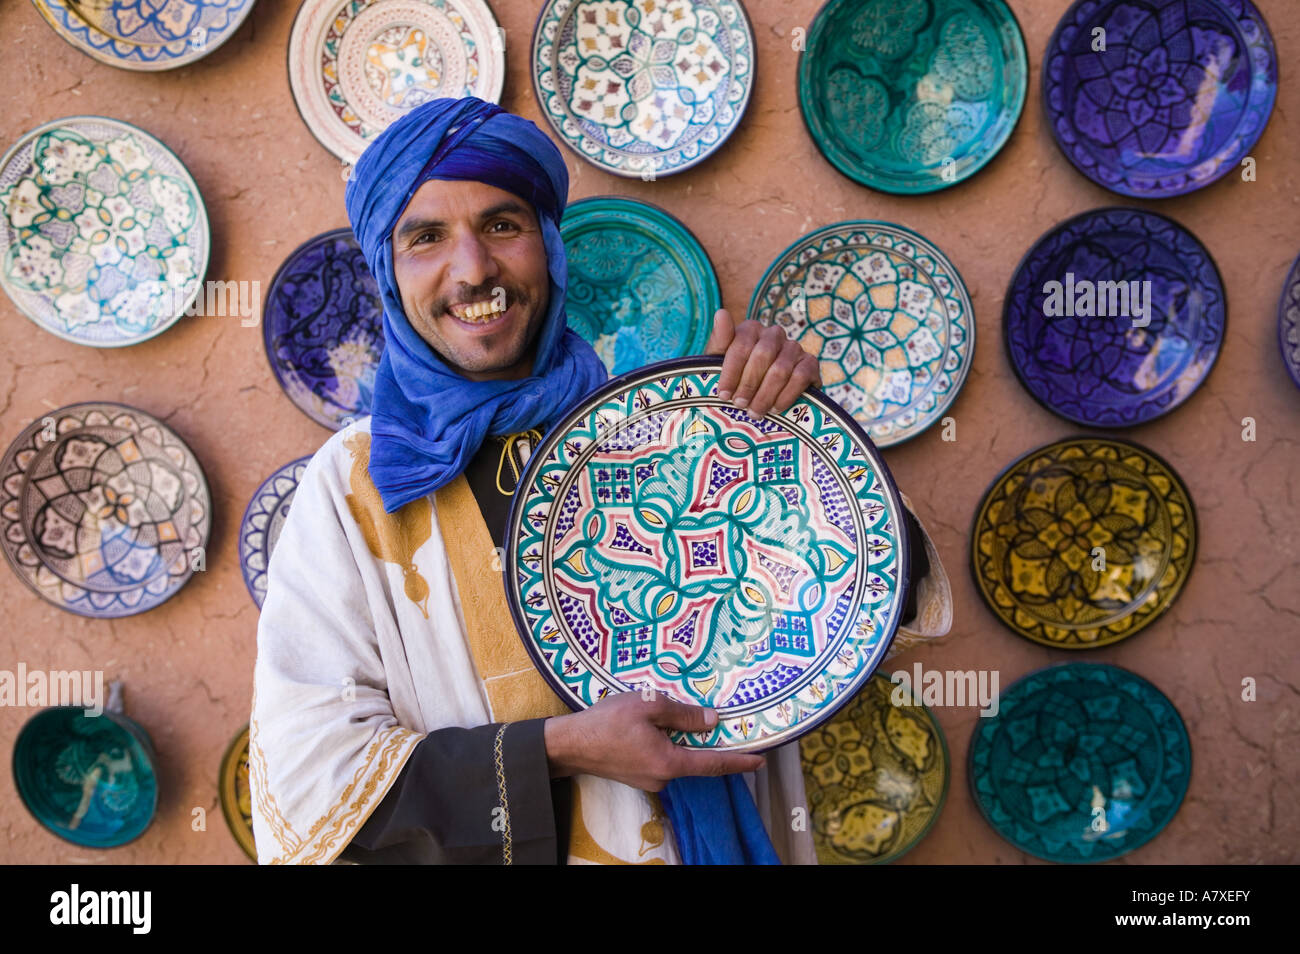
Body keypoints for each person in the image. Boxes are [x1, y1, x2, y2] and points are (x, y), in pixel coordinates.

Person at [248, 96, 952, 865]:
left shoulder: (666, 419)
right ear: (388, 273)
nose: (473, 268)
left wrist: (806, 443)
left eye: (502, 225)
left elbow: (872, 607)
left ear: (549, 246)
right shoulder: (355, 485)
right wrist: (555, 749)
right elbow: (309, 782)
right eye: (425, 238)